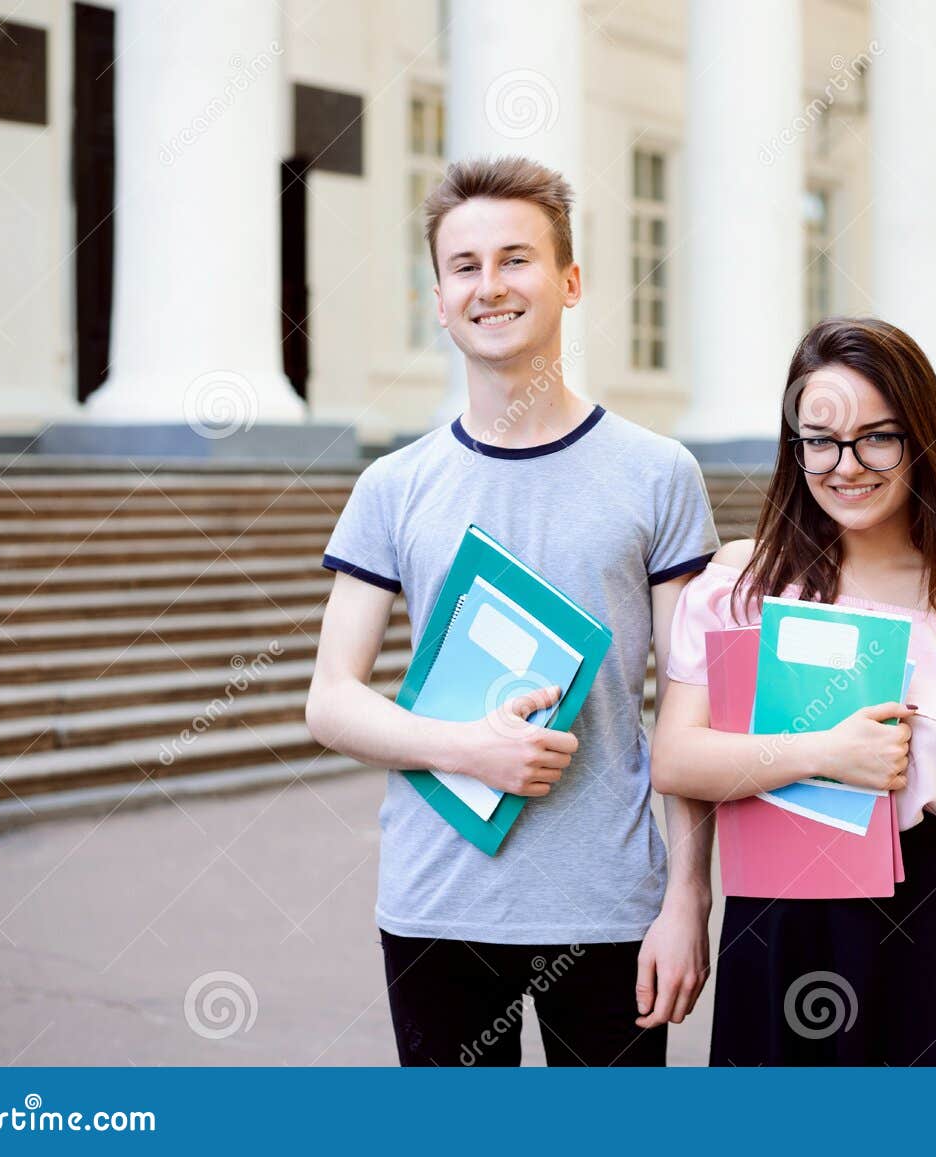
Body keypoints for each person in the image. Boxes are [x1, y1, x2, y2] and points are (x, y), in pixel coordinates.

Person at [306, 156, 720, 1067]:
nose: (490, 286)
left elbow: (692, 705)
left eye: (516, 259)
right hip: (437, 902)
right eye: (465, 266)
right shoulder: (393, 486)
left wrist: (689, 896)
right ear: (440, 298)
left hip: (611, 903)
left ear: (570, 281)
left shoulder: (660, 475)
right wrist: (466, 747)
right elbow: (329, 699)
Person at [650, 317, 936, 1066]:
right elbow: (676, 759)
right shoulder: (745, 585)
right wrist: (829, 752)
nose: (848, 465)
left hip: (933, 929)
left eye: (879, 436)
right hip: (777, 924)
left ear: (923, 441)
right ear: (795, 446)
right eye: (821, 440)